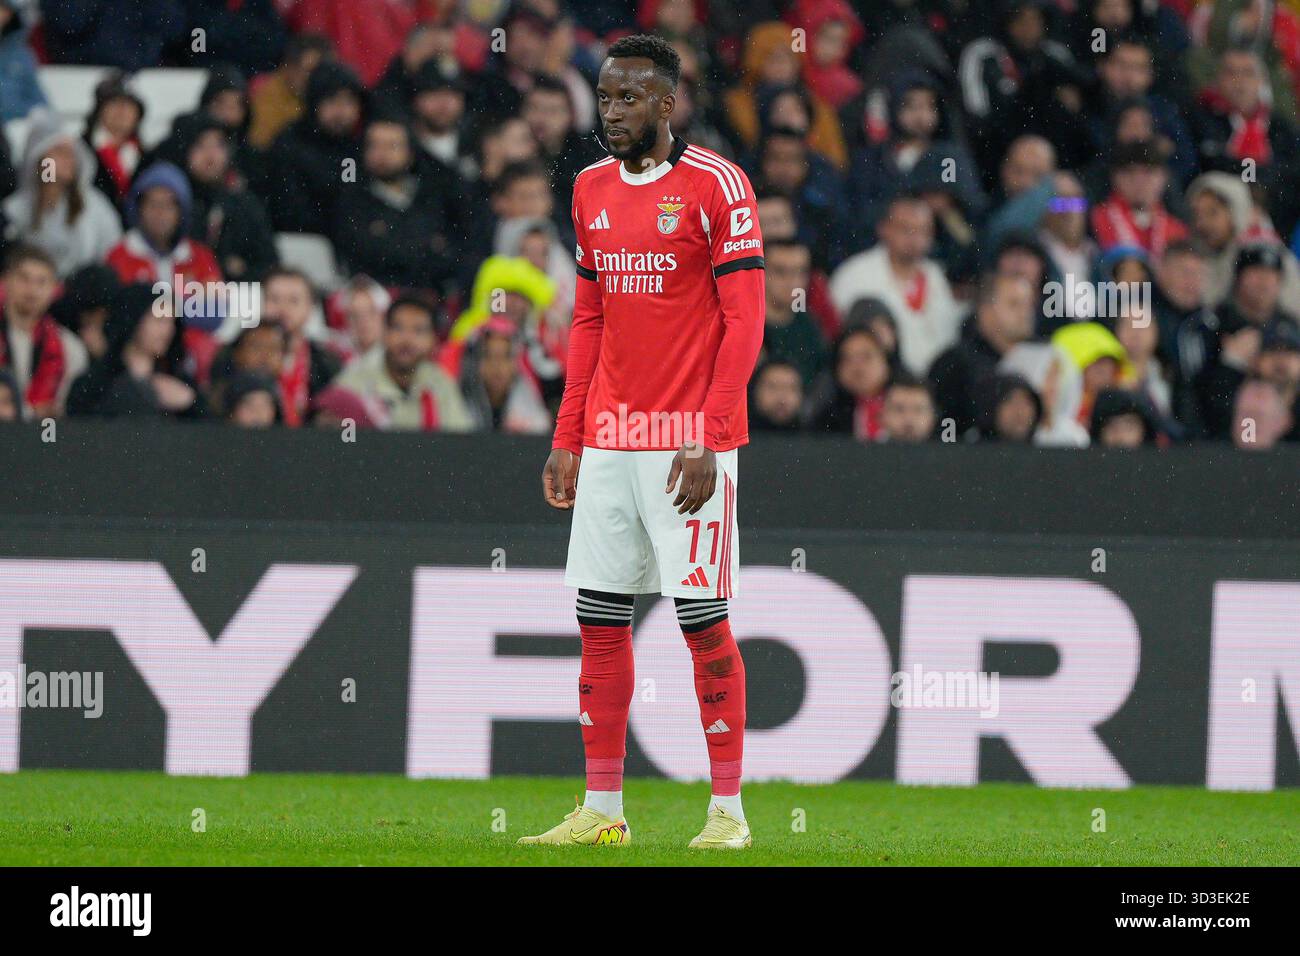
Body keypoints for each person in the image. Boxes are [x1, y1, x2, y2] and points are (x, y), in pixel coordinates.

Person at [530, 35, 765, 851]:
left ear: (668, 105)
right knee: (600, 618)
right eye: (605, 98)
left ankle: (728, 814)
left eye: (629, 99)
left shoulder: (717, 186)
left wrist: (709, 432)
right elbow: (589, 317)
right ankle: (603, 809)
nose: (613, 112)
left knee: (702, 621)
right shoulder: (589, 189)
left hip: (687, 445)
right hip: (608, 441)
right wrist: (569, 434)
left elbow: (745, 321)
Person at [1, 109, 122, 277]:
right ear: (39, 159)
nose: (69, 160)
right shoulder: (15, 208)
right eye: (59, 152)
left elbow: (112, 254)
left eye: (71, 155)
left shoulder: (95, 205)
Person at [332, 294, 471, 431]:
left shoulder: (441, 384)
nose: (407, 339)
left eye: (418, 330)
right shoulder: (353, 382)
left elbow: (460, 443)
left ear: (433, 341)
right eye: (398, 328)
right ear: (384, 333)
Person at [0, 243, 68, 418]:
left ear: (54, 289)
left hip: (40, 440)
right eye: (24, 278)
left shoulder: (69, 347)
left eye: (41, 282)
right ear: (5, 281)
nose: (32, 290)